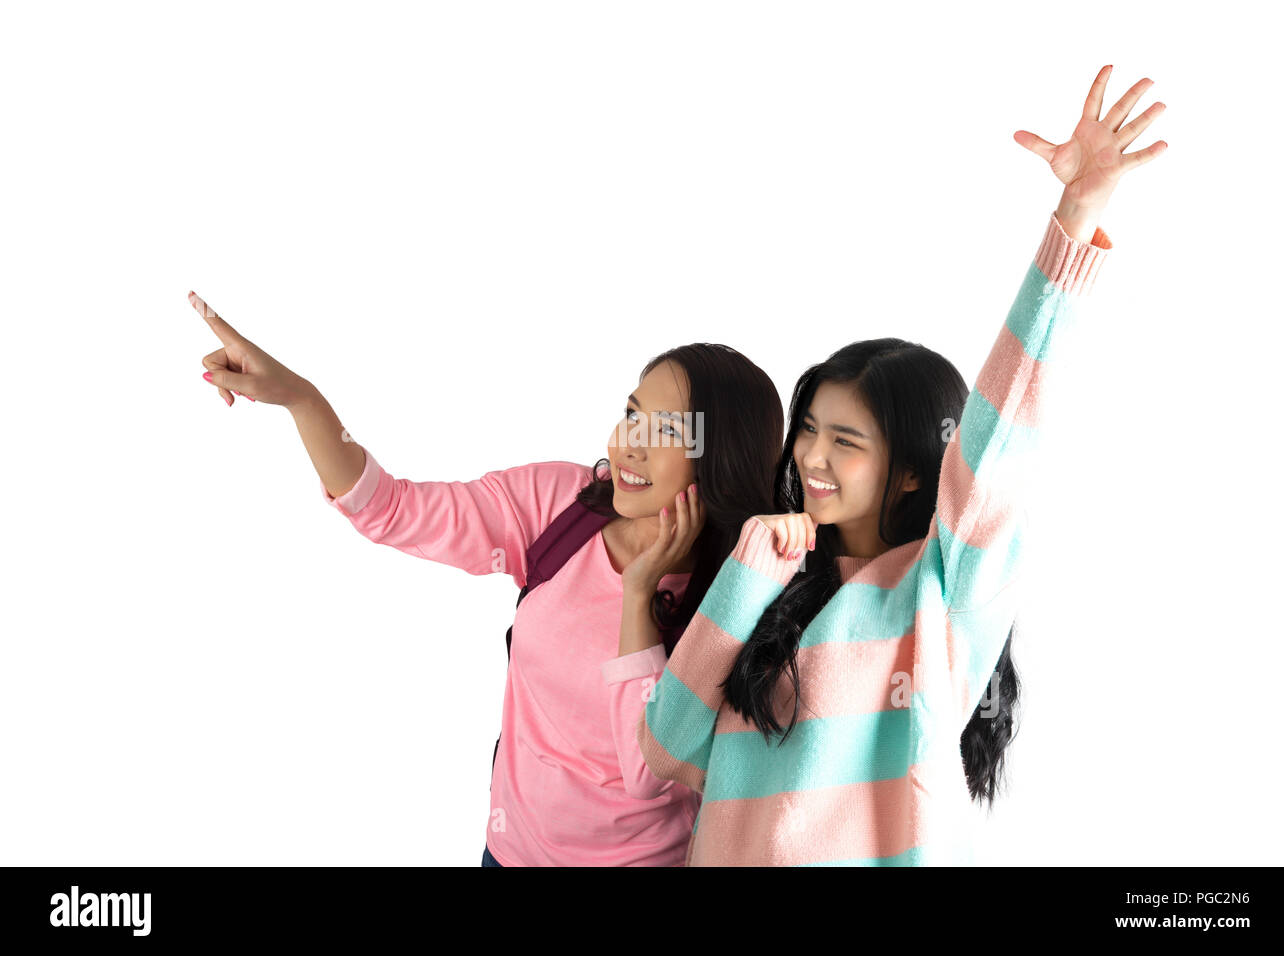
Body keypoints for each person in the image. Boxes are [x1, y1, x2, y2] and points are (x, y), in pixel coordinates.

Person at [611, 64, 1167, 865]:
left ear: (912, 468)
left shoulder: (941, 592)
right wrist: (749, 575)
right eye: (808, 430)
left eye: (846, 440)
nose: (809, 456)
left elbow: (999, 444)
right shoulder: (770, 582)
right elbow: (665, 750)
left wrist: (1073, 222)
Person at [186, 306, 785, 866]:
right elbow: (393, 510)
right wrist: (301, 398)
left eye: (667, 433)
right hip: (509, 852)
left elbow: (648, 771)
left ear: (718, 456)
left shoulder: (737, 595)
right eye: (632, 415)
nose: (629, 445)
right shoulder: (560, 506)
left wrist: (638, 598)